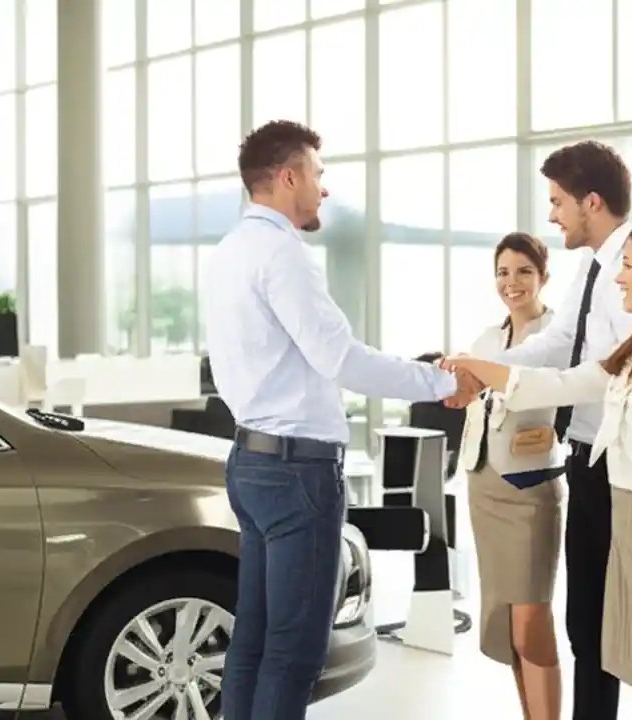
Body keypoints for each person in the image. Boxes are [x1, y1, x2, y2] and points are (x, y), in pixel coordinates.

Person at [202, 119, 479, 720]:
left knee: (251, 641)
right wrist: (443, 380)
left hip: (250, 460)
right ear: (288, 176)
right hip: (297, 471)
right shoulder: (283, 254)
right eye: (319, 175)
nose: (323, 189)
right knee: (295, 653)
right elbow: (342, 359)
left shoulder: (228, 253)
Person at [442, 220, 632, 720]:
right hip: (631, 526)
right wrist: (475, 365)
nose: (619, 278)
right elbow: (557, 384)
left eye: (629, 266)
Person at [447, 140, 632, 720]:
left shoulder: (628, 269)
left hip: (614, 459)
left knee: (613, 625)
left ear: (591, 200)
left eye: (558, 201)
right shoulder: (592, 264)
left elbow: (605, 373)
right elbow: (560, 345)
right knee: (585, 623)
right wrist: (491, 371)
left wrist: (507, 381)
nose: (553, 213)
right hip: (584, 456)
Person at [457, 232, 566, 719]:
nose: (512, 282)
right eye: (503, 272)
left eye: (523, 270)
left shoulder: (558, 334)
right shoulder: (486, 338)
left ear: (543, 275)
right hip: (484, 485)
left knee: (531, 621)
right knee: (505, 621)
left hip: (530, 490)